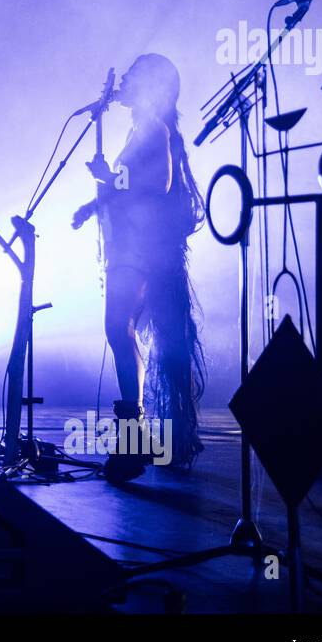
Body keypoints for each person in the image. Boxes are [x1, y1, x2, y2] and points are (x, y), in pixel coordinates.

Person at [71, 53, 207, 482]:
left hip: (140, 250)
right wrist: (97, 199)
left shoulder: (154, 128)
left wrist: (108, 180)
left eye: (132, 74)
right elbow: (130, 186)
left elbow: (156, 184)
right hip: (130, 246)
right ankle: (138, 432)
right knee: (120, 329)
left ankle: (136, 433)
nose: (123, 78)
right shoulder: (140, 128)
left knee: (119, 328)